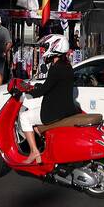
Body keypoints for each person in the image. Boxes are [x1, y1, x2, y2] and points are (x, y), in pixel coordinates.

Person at [22, 35, 79, 166]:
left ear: (55, 47)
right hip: (66, 109)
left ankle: (34, 152)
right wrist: (37, 88)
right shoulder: (67, 66)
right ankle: (46, 145)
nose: (45, 50)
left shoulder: (56, 68)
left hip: (54, 112)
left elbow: (44, 90)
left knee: (24, 117)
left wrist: (29, 91)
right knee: (33, 115)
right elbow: (53, 86)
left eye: (47, 46)